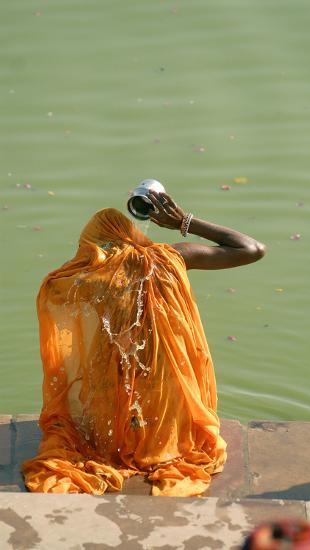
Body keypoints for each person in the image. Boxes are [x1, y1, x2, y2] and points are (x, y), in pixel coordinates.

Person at [22, 190, 266, 496]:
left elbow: (55, 296)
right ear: (132, 235)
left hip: (112, 366)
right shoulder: (170, 258)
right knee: (162, 420)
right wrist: (184, 221)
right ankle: (158, 449)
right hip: (166, 368)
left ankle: (122, 447)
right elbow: (253, 249)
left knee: (106, 427)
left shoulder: (85, 275)